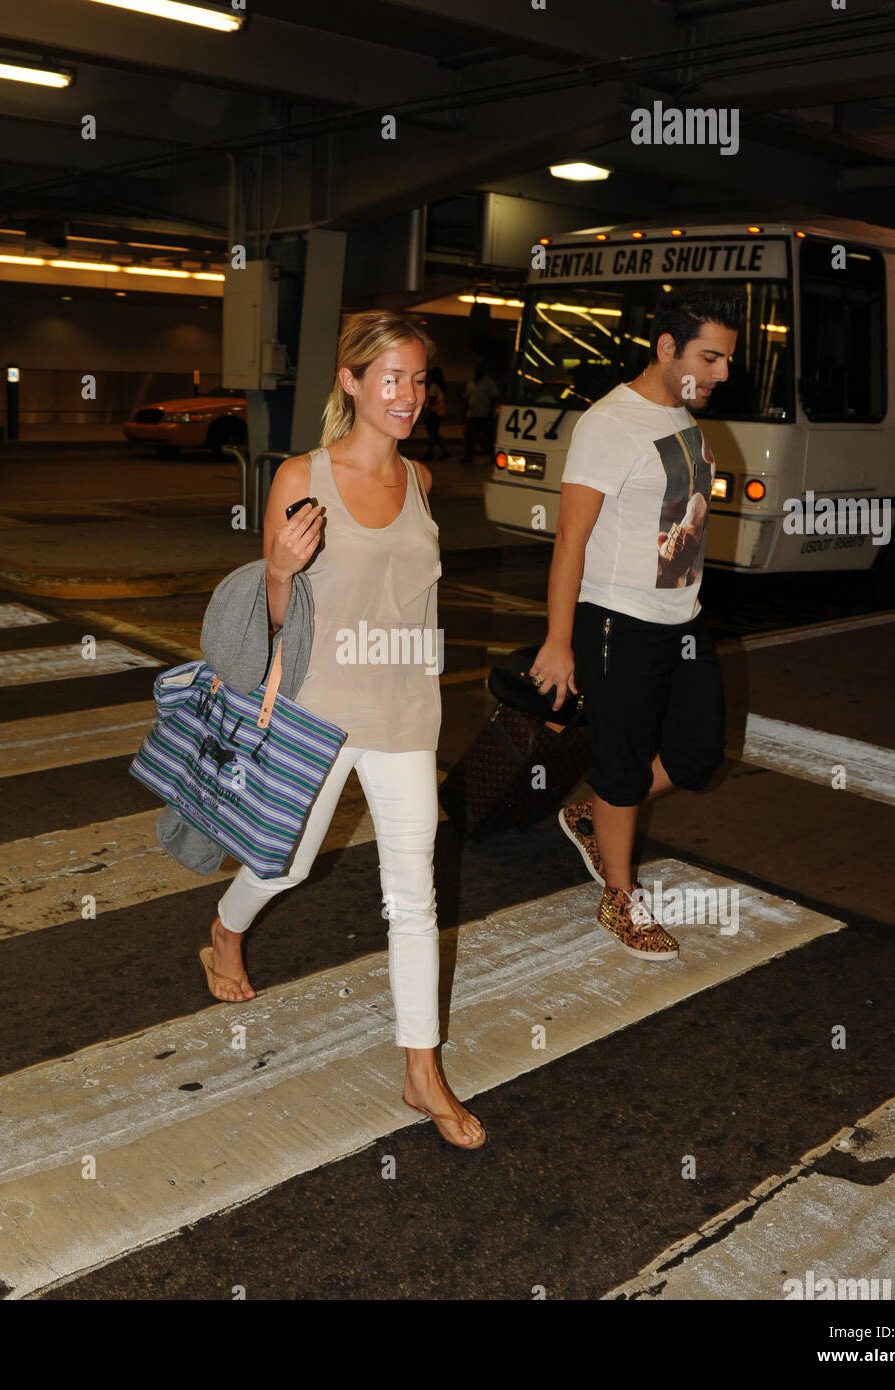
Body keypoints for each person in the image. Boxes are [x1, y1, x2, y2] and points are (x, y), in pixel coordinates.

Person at [199, 309, 486, 1150]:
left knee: (413, 899)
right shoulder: (300, 476)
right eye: (389, 378)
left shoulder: (423, 482)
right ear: (351, 383)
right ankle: (225, 929)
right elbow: (280, 615)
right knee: (281, 867)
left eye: (419, 379)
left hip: (404, 715)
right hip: (319, 712)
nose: (407, 396)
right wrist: (280, 571)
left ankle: (420, 1069)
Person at [530, 283, 745, 957]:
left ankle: (595, 811)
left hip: (680, 617)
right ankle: (620, 900)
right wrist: (558, 642)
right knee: (623, 765)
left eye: (726, 360)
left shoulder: (681, 415)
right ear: (666, 348)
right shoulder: (607, 424)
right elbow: (570, 538)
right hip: (615, 619)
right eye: (709, 358)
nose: (721, 373)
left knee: (697, 752)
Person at [461, 363, 499, 463]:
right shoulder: (471, 382)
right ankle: (468, 457)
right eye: (476, 369)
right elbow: (466, 398)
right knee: (469, 437)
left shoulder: (489, 383)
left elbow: (494, 398)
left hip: (484, 415)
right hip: (472, 414)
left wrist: (490, 412)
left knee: (489, 438)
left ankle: (493, 457)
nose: (477, 371)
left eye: (479, 369)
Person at [420, 366, 450, 461]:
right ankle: (445, 451)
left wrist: (426, 411)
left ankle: (430, 453)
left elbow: (432, 401)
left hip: (434, 413)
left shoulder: (433, 387)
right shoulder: (438, 386)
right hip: (438, 413)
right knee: (435, 433)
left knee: (432, 434)